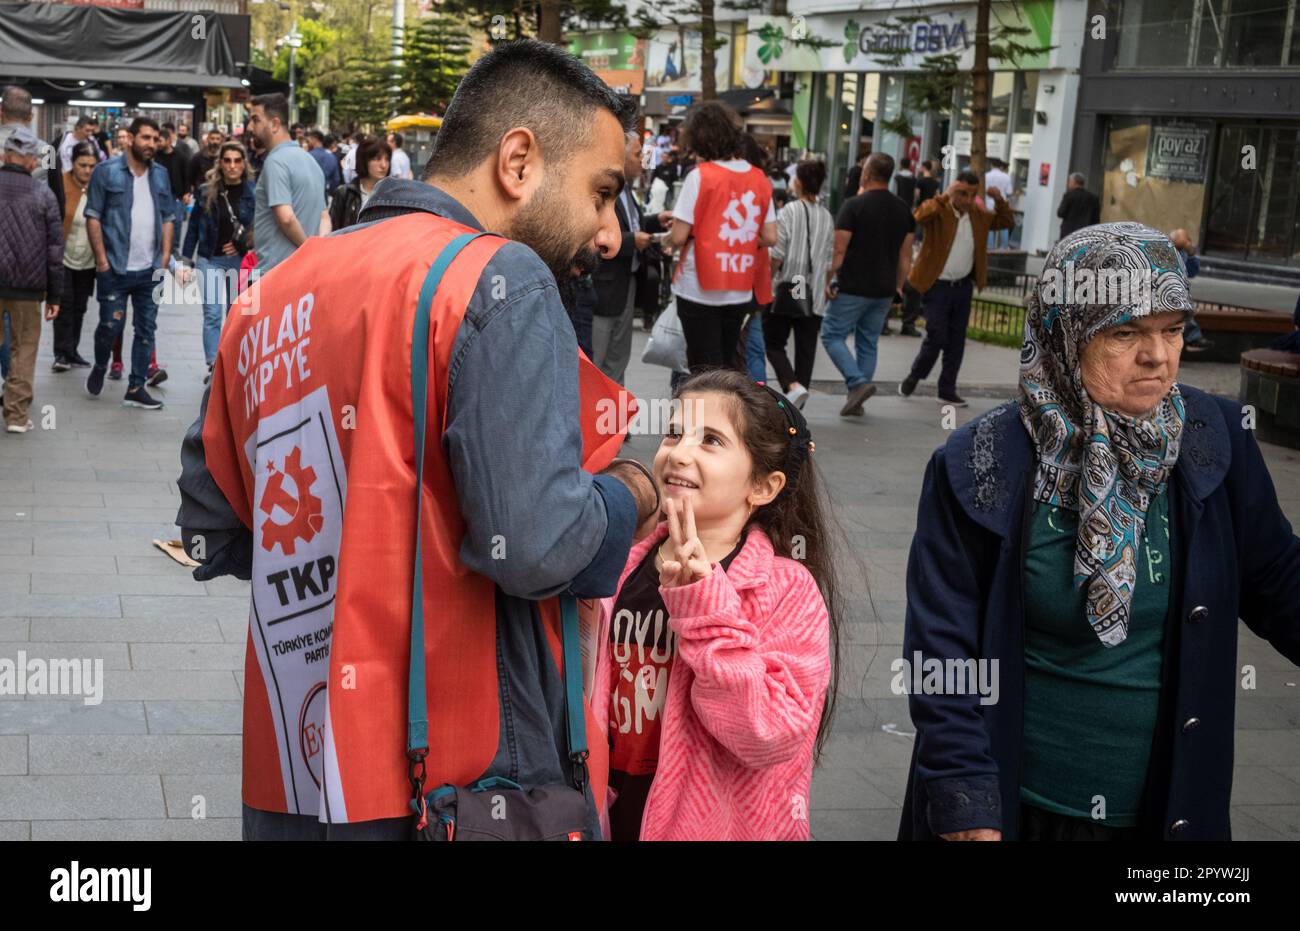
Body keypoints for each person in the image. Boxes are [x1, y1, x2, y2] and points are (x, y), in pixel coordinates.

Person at [177, 39, 659, 841]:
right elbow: (537, 542)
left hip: (294, 765)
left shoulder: (277, 291)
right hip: (449, 782)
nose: (607, 233)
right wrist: (633, 494)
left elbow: (211, 512)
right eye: (602, 193)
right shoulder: (499, 279)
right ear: (518, 160)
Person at [900, 222, 1300, 841]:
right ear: (1067, 333)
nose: (1158, 355)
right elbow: (940, 647)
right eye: (1126, 332)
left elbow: (1278, 579)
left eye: (1172, 329)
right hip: (1019, 809)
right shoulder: (982, 461)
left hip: (1168, 809)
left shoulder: (1213, 440)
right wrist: (963, 793)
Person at [593, 369, 838, 840]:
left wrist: (705, 612)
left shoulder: (787, 590)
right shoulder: (622, 562)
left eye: (710, 441)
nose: (679, 453)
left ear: (763, 487)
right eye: (673, 433)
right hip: (608, 810)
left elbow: (769, 733)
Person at [666, 101, 776, 374]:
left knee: (702, 367)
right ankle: (725, 414)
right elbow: (770, 236)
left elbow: (679, 236)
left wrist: (663, 240)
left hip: (698, 284)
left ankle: (702, 416)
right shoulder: (760, 178)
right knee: (727, 364)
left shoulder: (700, 176)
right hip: (738, 285)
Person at [899, 170, 1014, 407]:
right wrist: (944, 197)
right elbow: (919, 216)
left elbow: (1006, 222)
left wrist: (999, 200)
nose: (967, 200)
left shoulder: (978, 216)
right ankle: (915, 375)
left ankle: (947, 388)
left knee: (956, 341)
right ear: (953, 191)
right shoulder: (940, 211)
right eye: (962, 193)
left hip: (962, 287)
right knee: (937, 335)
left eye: (972, 195)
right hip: (936, 286)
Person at [83, 116, 175, 410]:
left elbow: (169, 217)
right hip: (115, 267)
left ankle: (135, 387)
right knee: (110, 325)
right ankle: (100, 363)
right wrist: (101, 261)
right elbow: (93, 215)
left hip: (150, 269)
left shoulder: (160, 174)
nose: (151, 144)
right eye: (146, 138)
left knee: (146, 330)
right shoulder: (107, 172)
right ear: (131, 138)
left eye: (155, 139)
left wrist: (163, 259)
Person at [823, 153, 915, 416]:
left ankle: (857, 383)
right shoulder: (903, 209)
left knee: (831, 334)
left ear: (866, 174)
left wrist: (828, 279)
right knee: (868, 342)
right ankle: (857, 399)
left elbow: (838, 250)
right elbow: (905, 255)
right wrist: (898, 286)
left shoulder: (853, 206)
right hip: (884, 288)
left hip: (853, 285)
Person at [592, 128, 667, 385]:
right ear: (620, 156)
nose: (641, 159)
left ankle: (612, 421)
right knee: (597, 362)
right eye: (637, 153)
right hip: (605, 289)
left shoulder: (626, 191)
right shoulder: (603, 189)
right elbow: (597, 234)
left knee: (618, 359)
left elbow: (631, 225)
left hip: (627, 284)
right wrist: (632, 241)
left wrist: (655, 221)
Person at [0, 127, 62, 433]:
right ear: (32, 161)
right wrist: (55, 295)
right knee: (23, 349)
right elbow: (54, 248)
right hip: (28, 287)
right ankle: (15, 416)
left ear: (4, 155)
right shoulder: (44, 194)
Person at [180, 141, 255, 381]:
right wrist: (185, 260)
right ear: (220, 164)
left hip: (239, 262)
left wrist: (243, 244)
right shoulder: (206, 191)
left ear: (244, 164)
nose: (232, 166)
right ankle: (213, 364)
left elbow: (259, 227)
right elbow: (193, 227)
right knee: (212, 313)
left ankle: (231, 361)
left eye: (237, 161)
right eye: (227, 160)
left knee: (235, 313)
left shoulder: (253, 193)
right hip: (209, 258)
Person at [766, 159, 834, 409]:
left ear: (799, 182)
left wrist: (768, 279)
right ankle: (797, 408)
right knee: (806, 351)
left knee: (773, 342)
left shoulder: (788, 212)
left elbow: (777, 255)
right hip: (814, 292)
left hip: (788, 287)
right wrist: (825, 287)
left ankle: (791, 385)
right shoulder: (827, 216)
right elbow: (828, 260)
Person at [247, 93, 328, 272]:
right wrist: (317, 251)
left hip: (276, 273)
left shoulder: (275, 162)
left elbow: (286, 217)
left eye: (255, 119)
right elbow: (324, 216)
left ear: (275, 124)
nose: (250, 127)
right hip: (305, 273)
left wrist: (308, 249)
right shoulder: (310, 160)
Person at [53, 141, 100, 372]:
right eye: (83, 165)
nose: (87, 170)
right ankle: (60, 353)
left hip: (88, 259)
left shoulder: (98, 187)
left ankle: (72, 350)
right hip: (63, 257)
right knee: (64, 304)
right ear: (73, 164)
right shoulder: (61, 183)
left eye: (92, 166)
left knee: (80, 306)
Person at [327, 136, 389, 231]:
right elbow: (334, 229)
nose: (383, 165)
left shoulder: (391, 194)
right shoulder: (345, 193)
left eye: (387, 159)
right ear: (363, 160)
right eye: (377, 159)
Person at [1169, 228, 1213, 352]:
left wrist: (1190, 251)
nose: (1185, 244)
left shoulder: (1184, 252)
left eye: (1186, 242)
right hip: (1168, 291)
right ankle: (1193, 338)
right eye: (1182, 242)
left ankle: (1192, 339)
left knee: (1184, 308)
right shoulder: (1168, 251)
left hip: (1177, 292)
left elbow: (1193, 271)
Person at [1056, 171, 1100, 240]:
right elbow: (1096, 219)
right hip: (1085, 232)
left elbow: (1060, 213)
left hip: (1068, 232)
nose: (1068, 184)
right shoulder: (1093, 198)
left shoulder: (1069, 195)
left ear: (1074, 182)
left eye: (1069, 181)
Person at [187, 128, 225, 201]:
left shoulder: (224, 157)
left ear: (221, 141)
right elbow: (190, 177)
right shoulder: (197, 157)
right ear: (208, 139)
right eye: (212, 138)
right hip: (201, 197)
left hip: (220, 196)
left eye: (218, 139)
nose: (215, 141)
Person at [984, 158, 1013, 249]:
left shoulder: (986, 176)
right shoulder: (1006, 177)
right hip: (1001, 204)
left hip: (988, 204)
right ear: (1000, 166)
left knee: (990, 226)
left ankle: (990, 247)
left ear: (992, 165)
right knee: (1003, 226)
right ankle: (1004, 247)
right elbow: (1009, 192)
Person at [306, 129, 341, 196]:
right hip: (326, 193)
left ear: (314, 139)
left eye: (309, 140)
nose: (308, 142)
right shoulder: (331, 156)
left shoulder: (308, 155)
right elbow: (336, 179)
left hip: (310, 193)